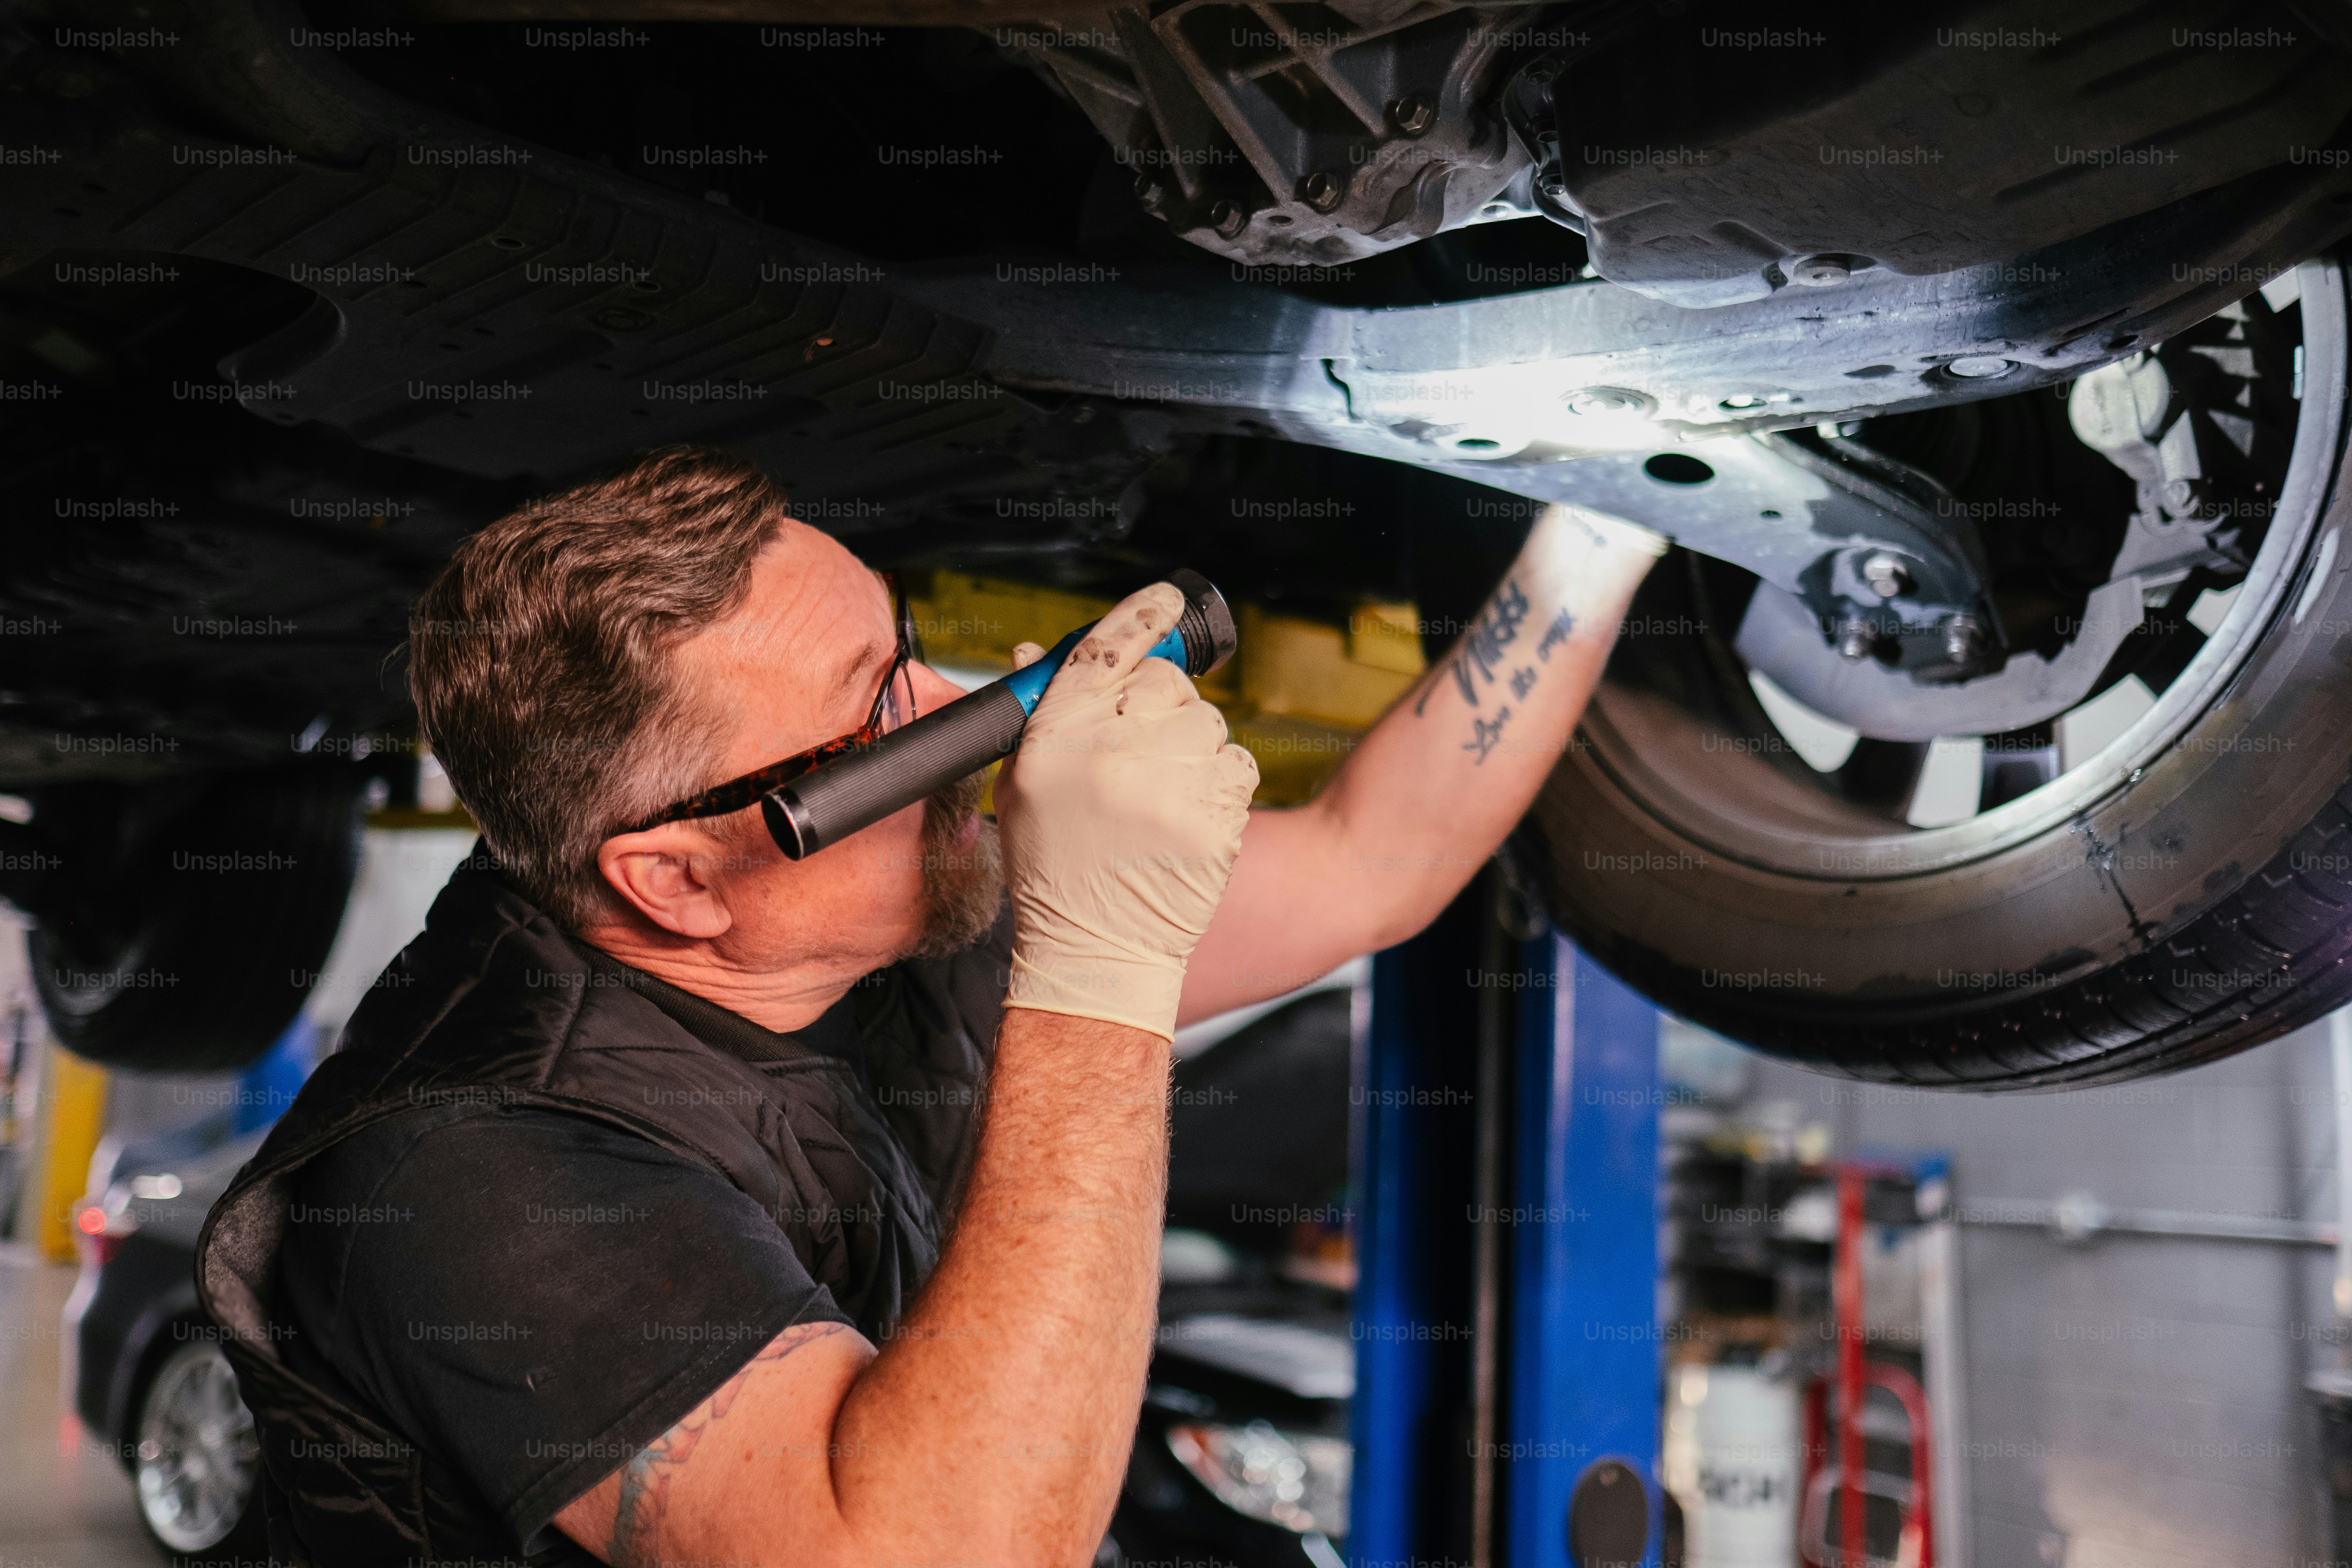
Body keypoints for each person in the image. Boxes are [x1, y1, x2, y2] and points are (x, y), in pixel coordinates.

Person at [196, 445, 1665, 1567]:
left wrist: (1602, 526)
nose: (961, 713)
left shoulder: (878, 914)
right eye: (881, 717)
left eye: (912, 658)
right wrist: (1103, 968)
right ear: (677, 880)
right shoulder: (475, 1176)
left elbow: (1374, 863)